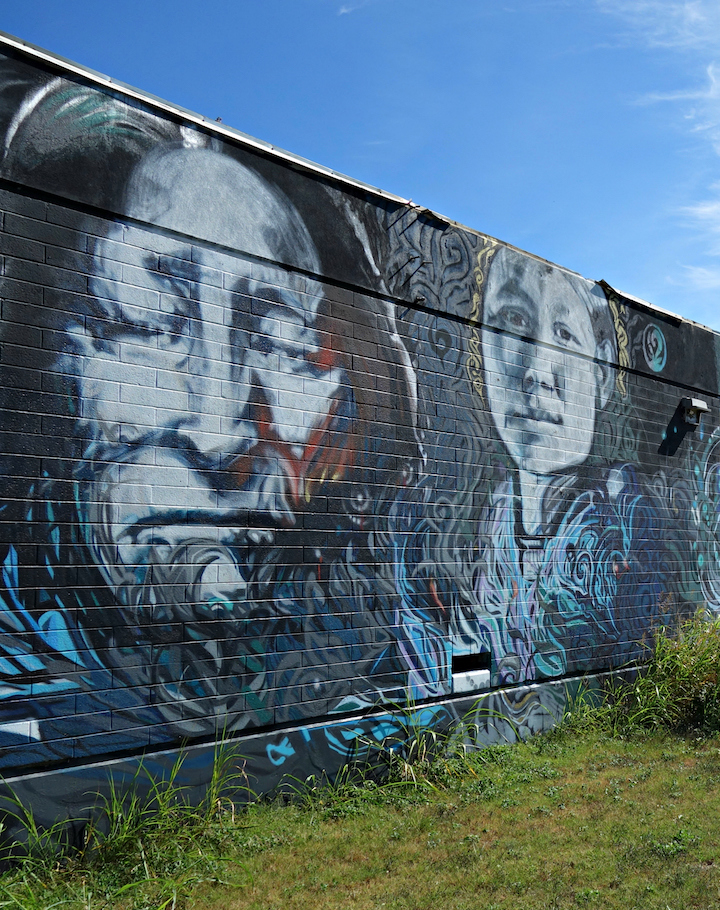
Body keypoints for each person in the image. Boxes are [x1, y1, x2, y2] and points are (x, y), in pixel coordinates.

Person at [0, 144, 440, 767]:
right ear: (56, 359)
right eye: (150, 321)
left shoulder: (366, 642)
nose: (220, 431)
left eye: (275, 338)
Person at [472, 246, 667, 683]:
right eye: (514, 321)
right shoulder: (495, 517)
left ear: (602, 374)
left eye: (564, 334)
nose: (537, 369)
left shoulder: (625, 521)